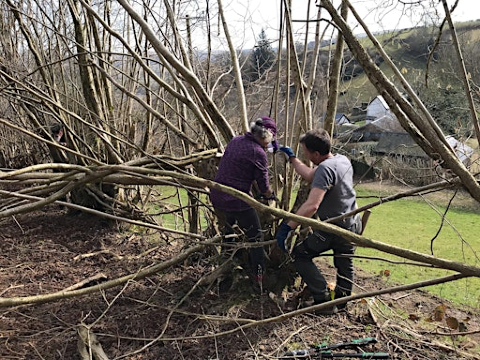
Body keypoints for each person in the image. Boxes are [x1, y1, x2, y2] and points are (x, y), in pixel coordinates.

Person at [276, 128, 362, 313]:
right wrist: (292, 159)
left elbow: (312, 205)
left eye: (306, 152)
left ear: (316, 153)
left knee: (300, 255)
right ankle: (341, 302)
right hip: (353, 223)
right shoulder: (341, 160)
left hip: (334, 228)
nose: (305, 155)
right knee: (344, 263)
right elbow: (309, 175)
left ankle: (322, 299)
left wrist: (287, 226)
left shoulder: (324, 168)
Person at [209, 116, 278, 288]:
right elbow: (263, 187)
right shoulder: (258, 152)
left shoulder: (236, 140)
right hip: (236, 199)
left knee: (229, 234)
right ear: (266, 136)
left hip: (218, 194)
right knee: (256, 239)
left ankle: (225, 275)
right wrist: (271, 196)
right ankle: (258, 278)